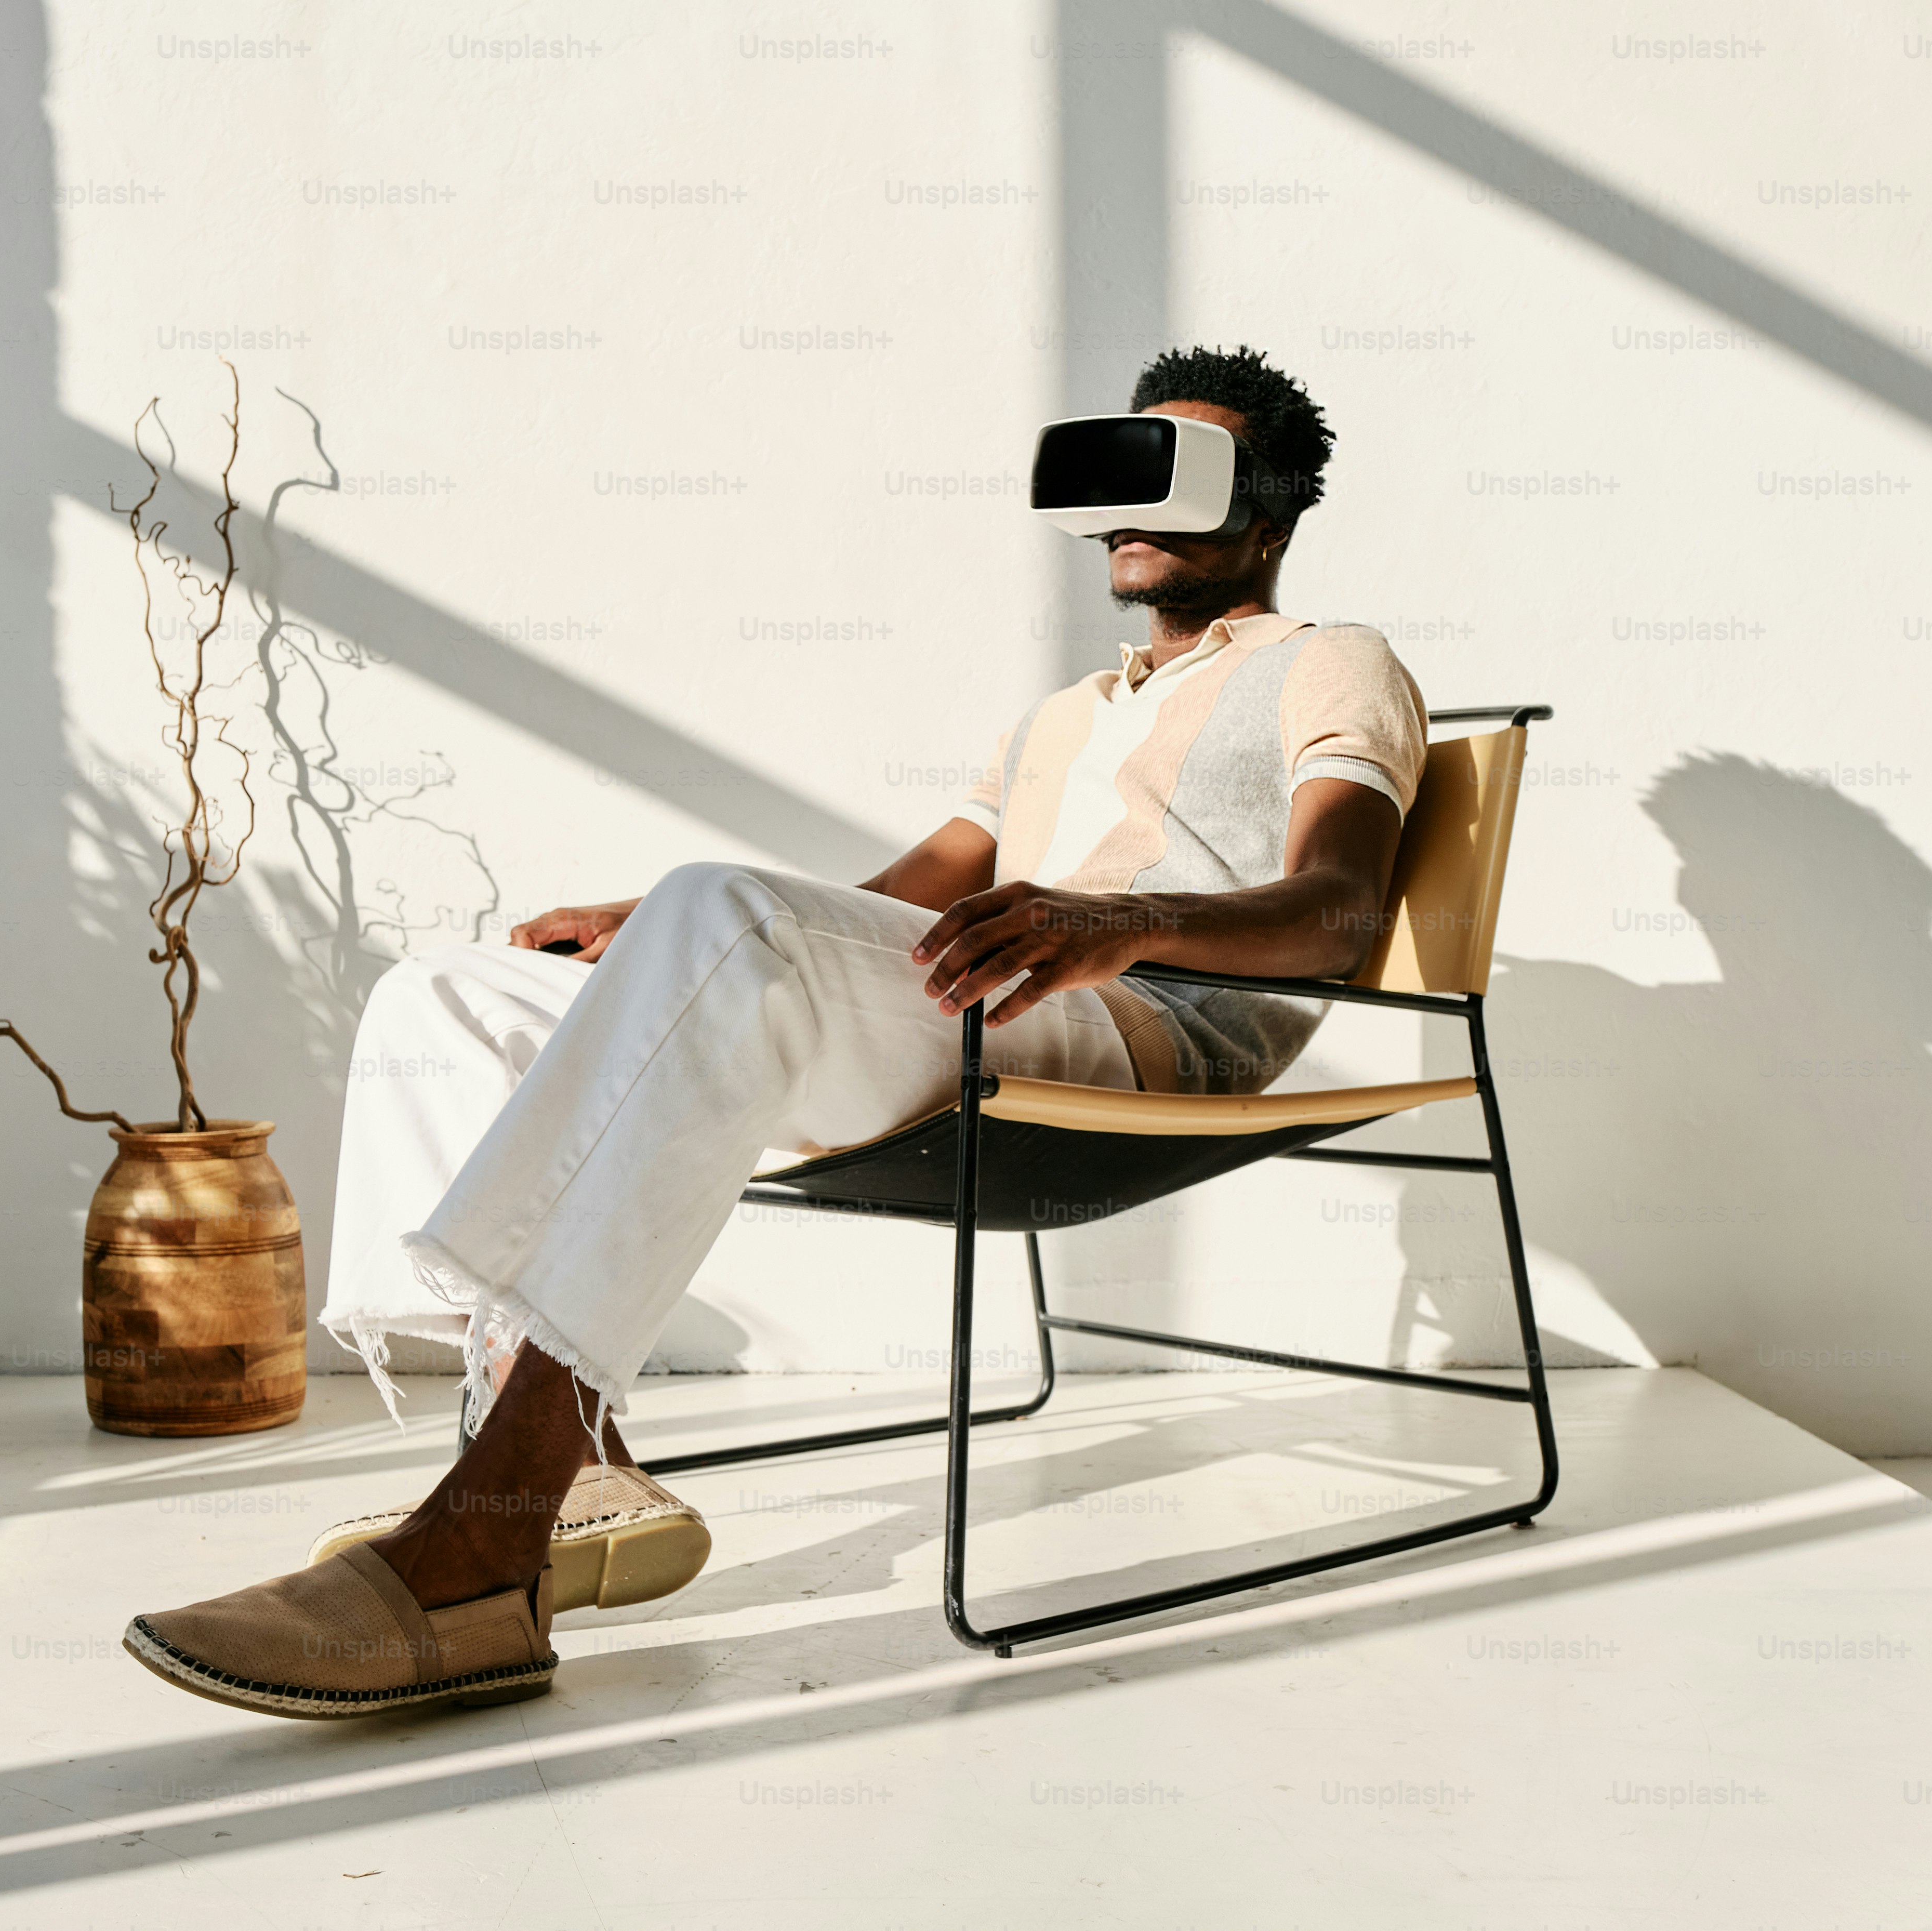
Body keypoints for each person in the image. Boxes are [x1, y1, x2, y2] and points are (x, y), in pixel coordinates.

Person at [123, 346, 1432, 1717]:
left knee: (722, 918)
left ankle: (480, 1549)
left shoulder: (1331, 665)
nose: (1134, 507)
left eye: (1183, 475)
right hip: (992, 1010)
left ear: (1268, 517)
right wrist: (664, 930)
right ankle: (576, 1468)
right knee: (448, 996)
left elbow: (1337, 913)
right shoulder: (1066, 716)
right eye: (1126, 471)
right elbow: (878, 912)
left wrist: (1122, 927)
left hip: (1149, 1031)